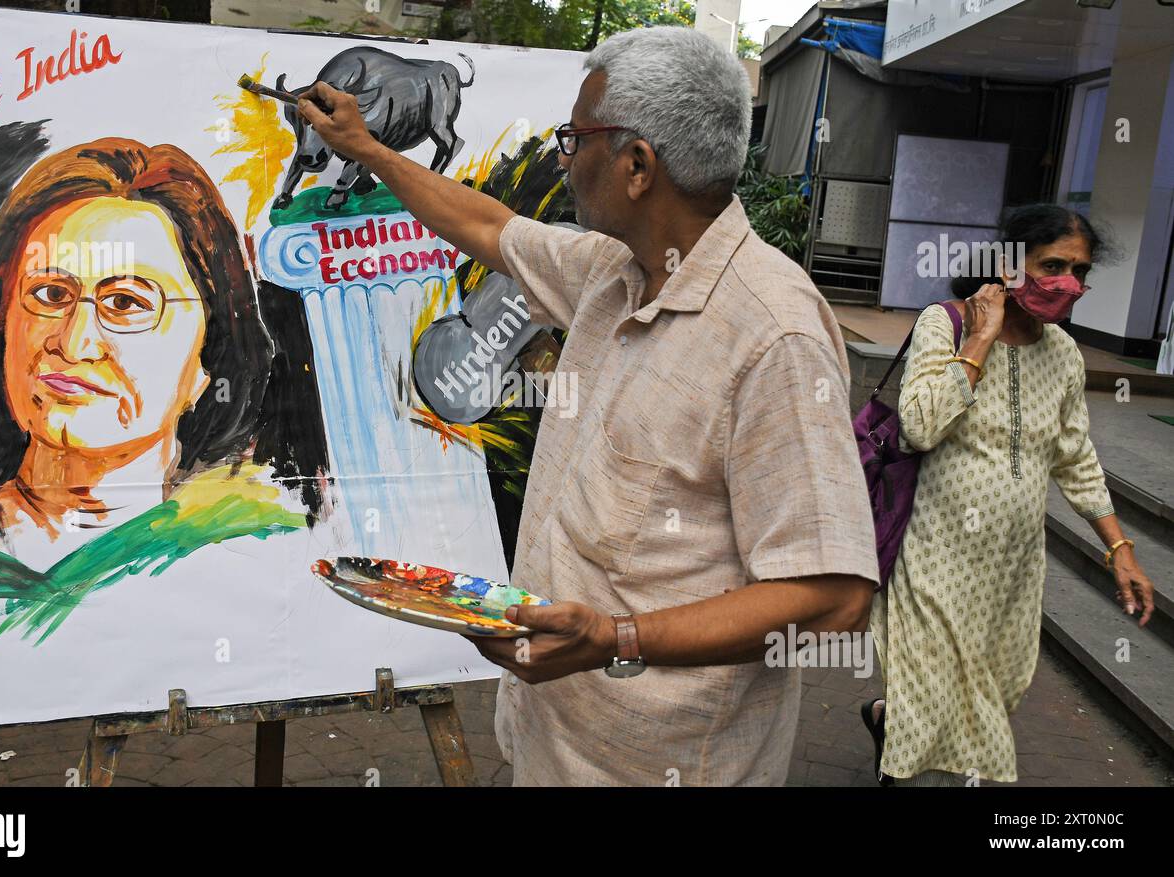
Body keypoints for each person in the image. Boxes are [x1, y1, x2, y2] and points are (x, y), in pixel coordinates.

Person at [293, 26, 879, 785]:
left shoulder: (774, 337)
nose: (564, 157)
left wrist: (616, 637)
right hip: (550, 747)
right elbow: (488, 226)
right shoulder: (616, 270)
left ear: (637, 166)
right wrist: (367, 150)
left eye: (577, 137)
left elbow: (833, 600)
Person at [0, 138, 328, 642]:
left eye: (126, 302)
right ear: (1, 323)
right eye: (50, 295)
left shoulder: (261, 548)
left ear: (208, 356)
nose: (74, 344)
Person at [862, 204, 1158, 787]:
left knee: (984, 694)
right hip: (936, 559)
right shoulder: (941, 323)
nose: (1067, 284)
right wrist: (979, 340)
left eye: (1079, 271)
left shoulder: (1065, 355)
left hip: (1012, 572)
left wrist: (1119, 546)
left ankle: (884, 719)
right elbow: (920, 426)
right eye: (1053, 265)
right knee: (950, 715)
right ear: (1008, 263)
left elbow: (1075, 458)